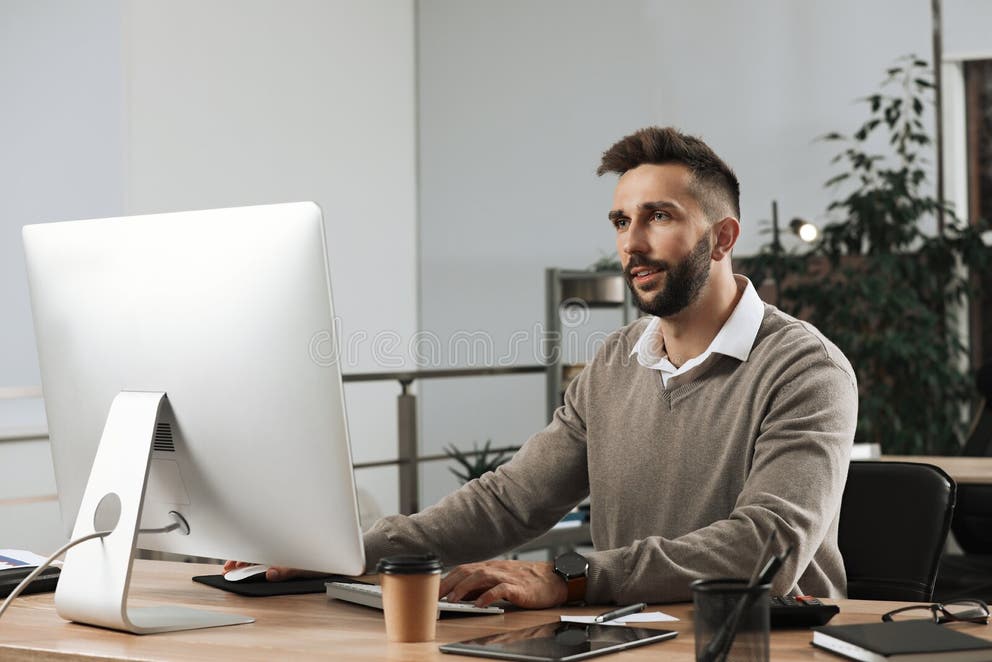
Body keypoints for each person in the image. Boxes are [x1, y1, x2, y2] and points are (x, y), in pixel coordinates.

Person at [228, 126, 858, 607]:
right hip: (629, 637)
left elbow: (767, 545)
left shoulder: (806, 370)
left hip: (764, 643)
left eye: (658, 217)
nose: (631, 243)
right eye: (621, 220)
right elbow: (509, 503)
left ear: (722, 237)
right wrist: (344, 553)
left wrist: (571, 574)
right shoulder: (615, 361)